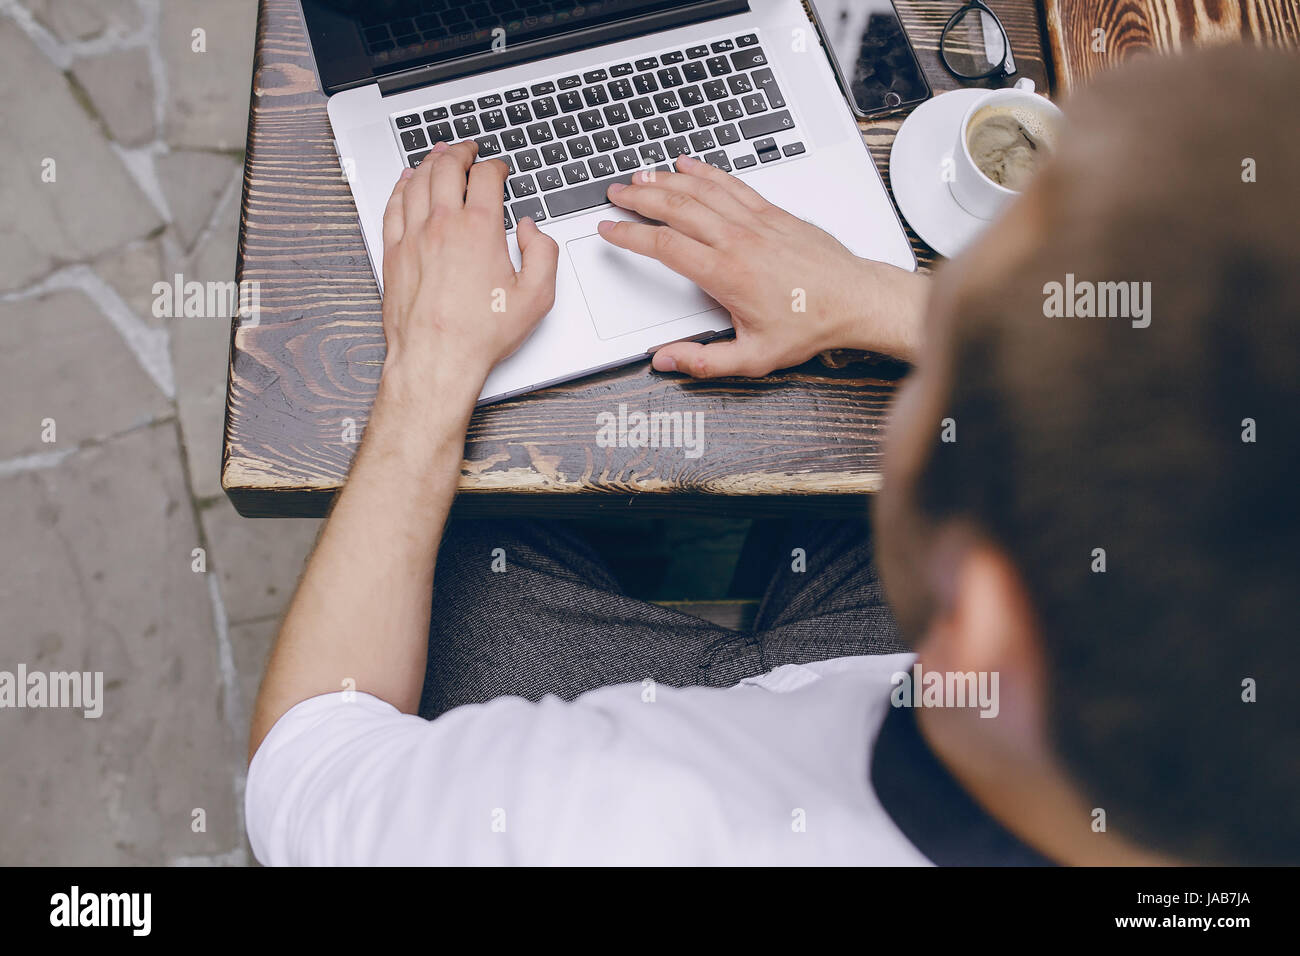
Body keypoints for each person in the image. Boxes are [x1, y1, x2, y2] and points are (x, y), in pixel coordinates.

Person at [244, 47, 1299, 865]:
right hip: (918, 704)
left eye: (958, 349)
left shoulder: (591, 824)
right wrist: (874, 297)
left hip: (741, 738)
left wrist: (428, 369)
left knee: (478, 540)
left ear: (981, 615)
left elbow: (305, 766)